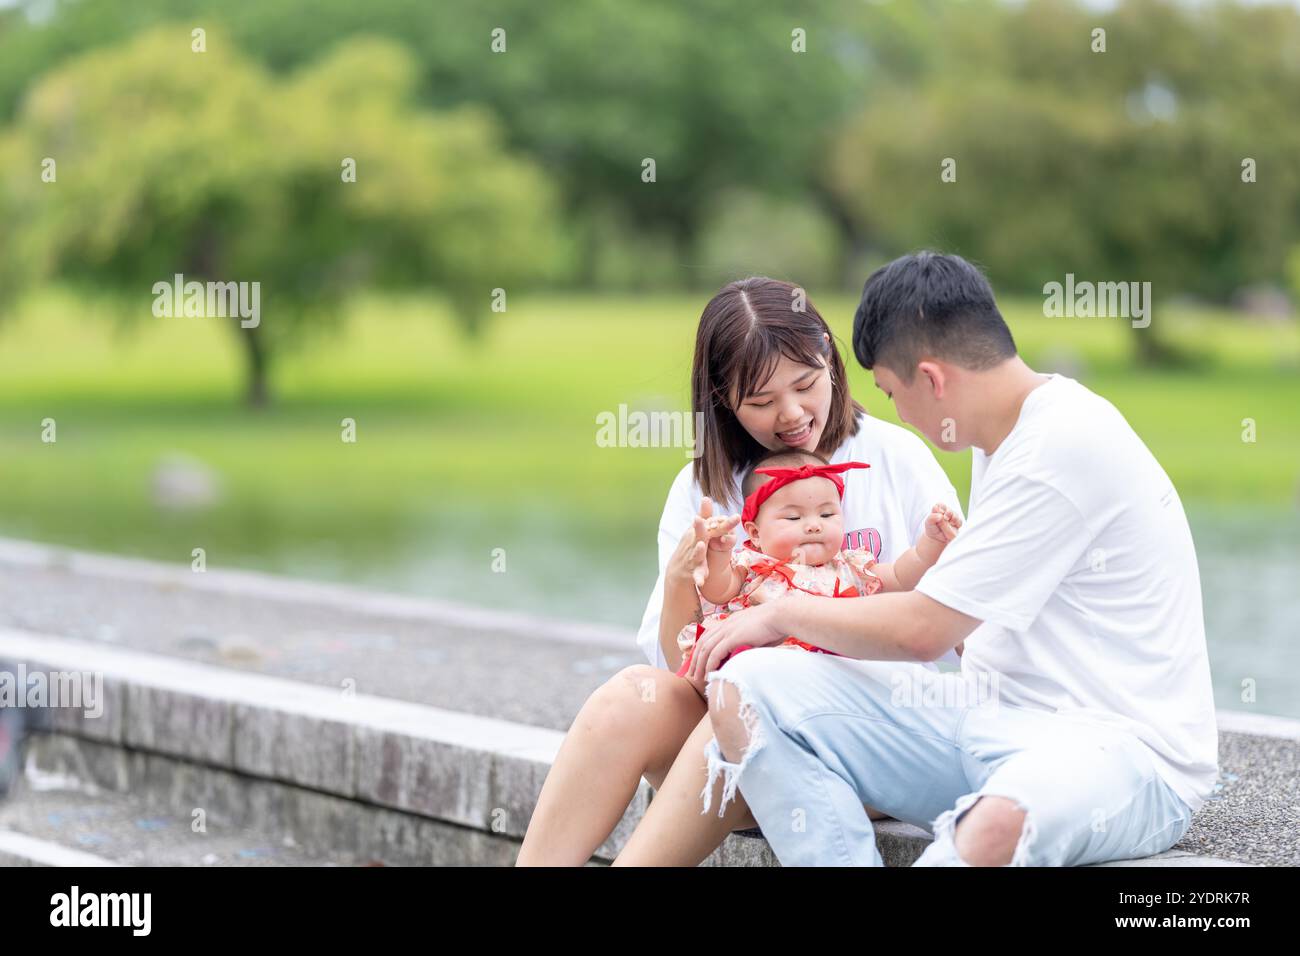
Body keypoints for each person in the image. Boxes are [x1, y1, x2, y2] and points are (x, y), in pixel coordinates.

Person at [677, 251, 1219, 867]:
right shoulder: (1006, 437)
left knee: (990, 827)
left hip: (1121, 757)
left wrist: (780, 614)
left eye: (890, 392)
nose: (896, 414)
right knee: (745, 687)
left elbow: (923, 630)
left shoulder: (1063, 446)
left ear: (931, 379)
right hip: (994, 722)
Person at [515, 276, 963, 866]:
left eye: (805, 385)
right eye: (760, 402)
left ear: (829, 358)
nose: (792, 414)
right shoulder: (707, 488)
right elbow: (680, 668)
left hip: (874, 732)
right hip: (740, 737)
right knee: (632, 697)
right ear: (723, 399)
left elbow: (944, 617)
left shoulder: (895, 460)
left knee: (746, 694)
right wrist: (683, 581)